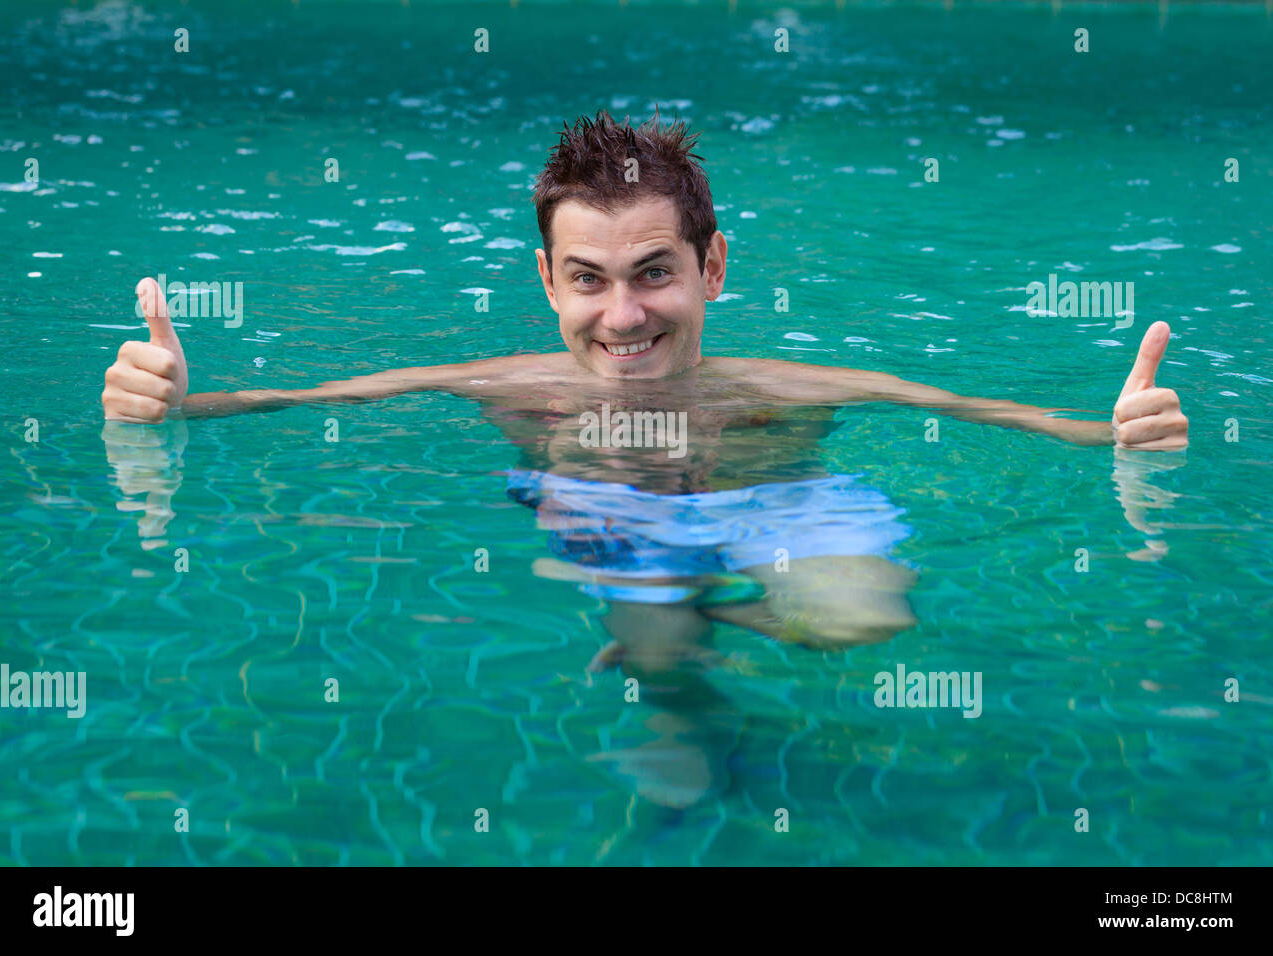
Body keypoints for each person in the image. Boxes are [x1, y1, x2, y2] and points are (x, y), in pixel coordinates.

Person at [100, 109, 1188, 807]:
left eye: (653, 272)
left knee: (865, 620)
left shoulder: (778, 390)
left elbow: (981, 409)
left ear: (712, 265)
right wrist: (178, 403)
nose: (622, 315)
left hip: (767, 496)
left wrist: (1113, 433)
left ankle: (691, 630)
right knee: (656, 622)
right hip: (604, 506)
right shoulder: (509, 384)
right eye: (587, 278)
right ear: (548, 280)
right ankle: (677, 686)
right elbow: (307, 399)